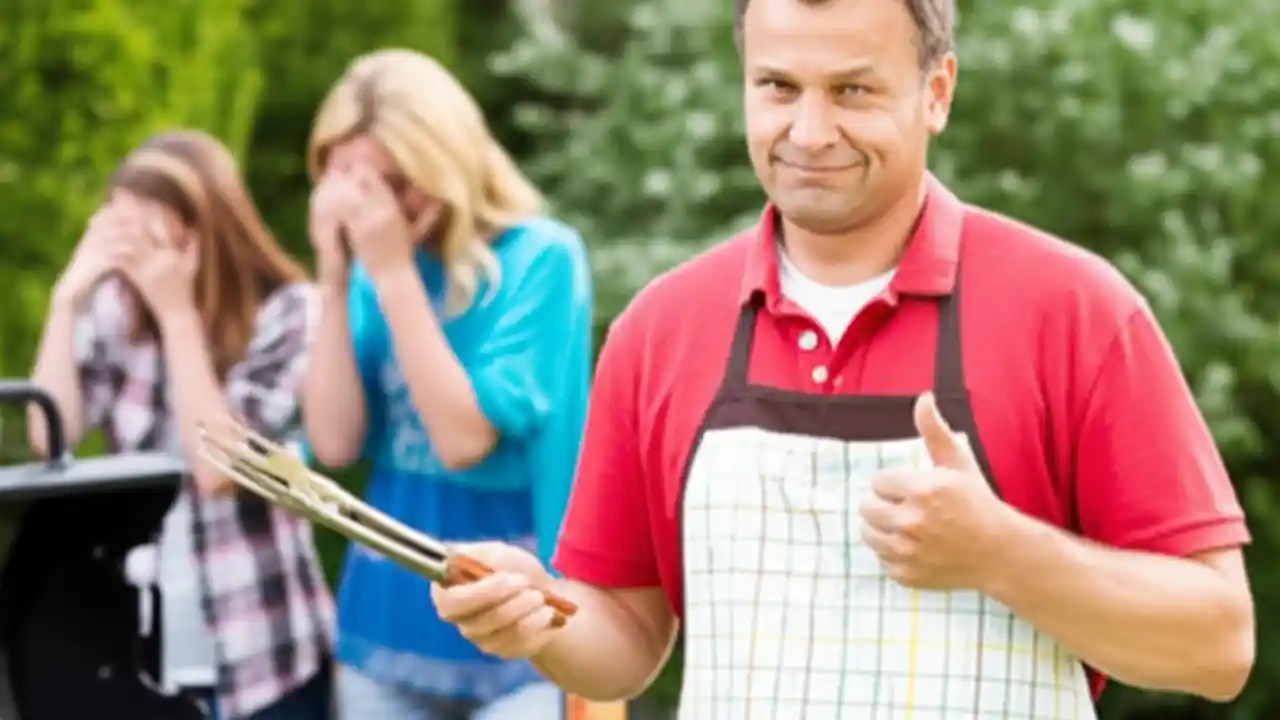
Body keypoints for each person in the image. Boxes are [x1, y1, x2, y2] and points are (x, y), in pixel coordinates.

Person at [428, 0, 1258, 716]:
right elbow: (628, 636)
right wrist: (538, 614)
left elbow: (1219, 646)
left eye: (853, 91)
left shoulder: (1075, 311)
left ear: (937, 93)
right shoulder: (660, 328)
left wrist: (1003, 554)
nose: (810, 131)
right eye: (779, 87)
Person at [298, 49, 593, 719]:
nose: (380, 210)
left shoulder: (540, 258)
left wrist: (393, 273)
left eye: (396, 183)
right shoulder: (371, 268)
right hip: (386, 626)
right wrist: (336, 275)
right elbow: (335, 442)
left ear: (446, 163)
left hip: (519, 631)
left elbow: (463, 440)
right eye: (352, 186)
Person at [23, 130, 334, 719]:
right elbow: (50, 433)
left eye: (153, 226)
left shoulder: (291, 311)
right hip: (147, 644)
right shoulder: (119, 309)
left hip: (261, 647)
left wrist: (177, 315)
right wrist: (68, 298)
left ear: (203, 227)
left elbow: (221, 469)